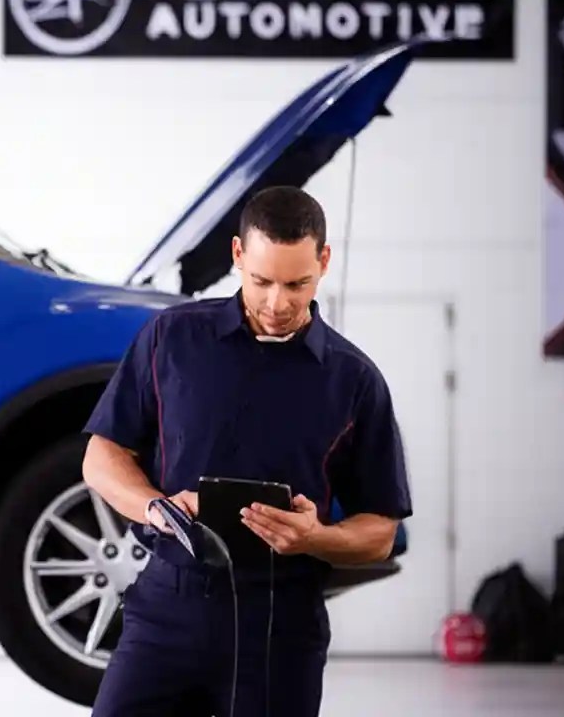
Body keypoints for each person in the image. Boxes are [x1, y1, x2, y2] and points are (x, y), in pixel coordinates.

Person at [81, 185, 413, 717]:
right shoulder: (171, 339)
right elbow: (102, 455)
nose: (277, 303)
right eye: (261, 281)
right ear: (237, 255)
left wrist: (316, 537)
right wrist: (157, 508)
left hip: (281, 626)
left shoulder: (355, 381)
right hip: (167, 606)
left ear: (324, 262)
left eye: (296, 283)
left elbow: (380, 532)